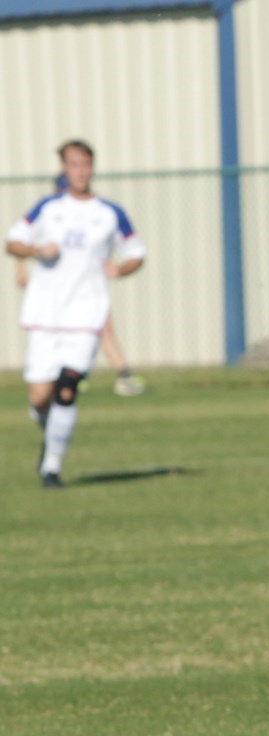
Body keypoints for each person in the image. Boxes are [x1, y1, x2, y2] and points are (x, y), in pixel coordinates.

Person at [4, 140, 144, 488]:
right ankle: (49, 430)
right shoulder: (48, 208)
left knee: (67, 388)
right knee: (40, 397)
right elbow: (12, 242)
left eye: (85, 165)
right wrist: (37, 249)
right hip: (45, 314)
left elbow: (136, 252)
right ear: (64, 169)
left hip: (86, 313)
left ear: (92, 168)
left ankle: (51, 467)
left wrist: (122, 269)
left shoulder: (110, 212)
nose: (80, 171)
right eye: (73, 164)